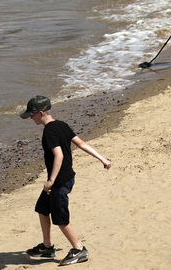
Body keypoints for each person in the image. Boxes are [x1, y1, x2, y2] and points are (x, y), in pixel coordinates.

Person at [19, 95, 111, 265]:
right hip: (68, 177)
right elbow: (81, 143)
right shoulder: (62, 125)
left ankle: (78, 249)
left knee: (61, 218)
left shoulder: (49, 131)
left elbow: (59, 155)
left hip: (59, 181)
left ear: (40, 113)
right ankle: (47, 247)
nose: (30, 118)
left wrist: (51, 181)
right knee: (42, 208)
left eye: (32, 114)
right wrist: (103, 159)